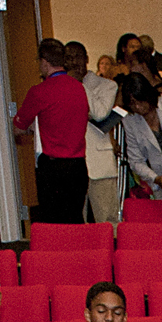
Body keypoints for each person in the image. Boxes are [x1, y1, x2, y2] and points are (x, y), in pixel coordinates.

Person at [13, 40, 89, 224]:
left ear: (44, 62)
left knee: (53, 221)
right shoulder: (78, 88)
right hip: (78, 165)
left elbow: (19, 127)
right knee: (75, 218)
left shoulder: (39, 91)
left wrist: (34, 128)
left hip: (53, 167)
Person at [64, 41, 124, 223]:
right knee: (75, 222)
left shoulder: (106, 85)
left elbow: (99, 113)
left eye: (78, 57)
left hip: (99, 162)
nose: (74, 62)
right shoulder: (61, 87)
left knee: (108, 220)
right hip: (71, 161)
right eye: (69, 58)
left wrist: (78, 84)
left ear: (87, 59)